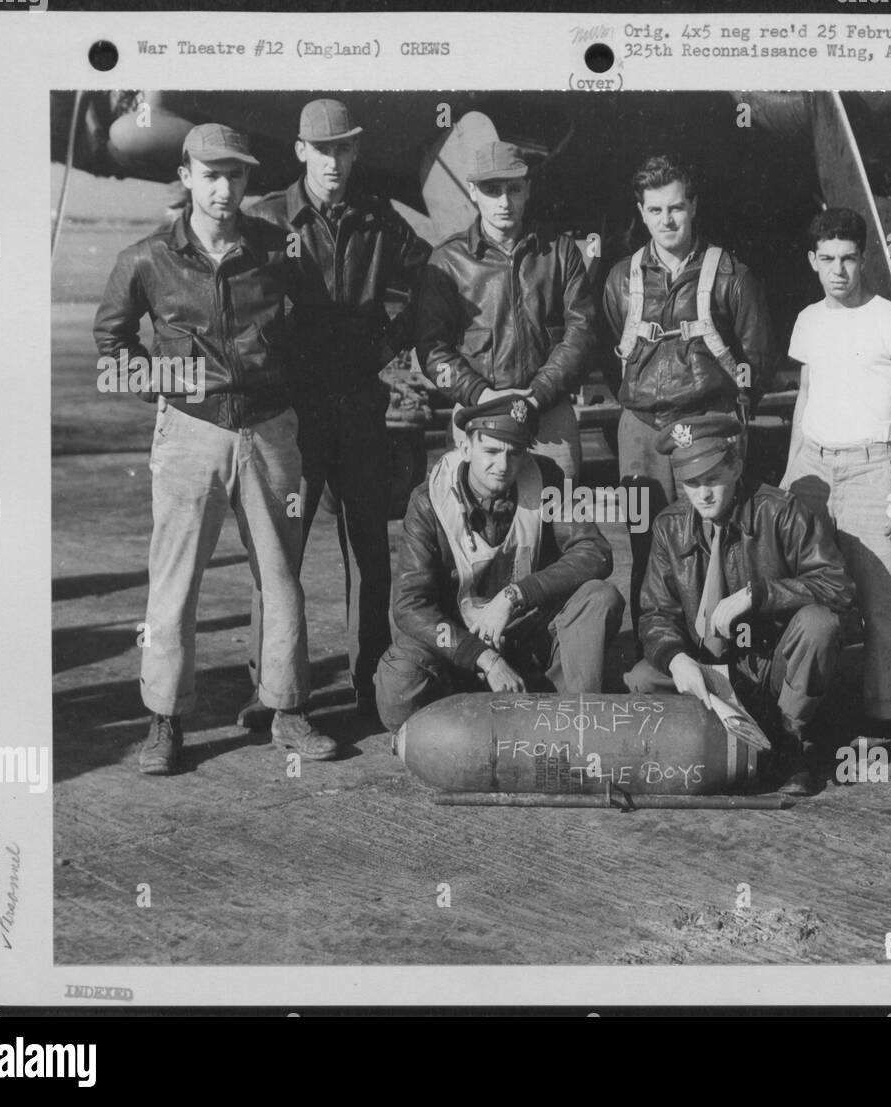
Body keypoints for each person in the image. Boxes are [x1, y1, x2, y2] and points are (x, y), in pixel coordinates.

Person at [93, 123, 334, 774]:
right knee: (173, 585)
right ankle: (165, 721)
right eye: (211, 174)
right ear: (186, 176)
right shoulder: (146, 258)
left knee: (282, 579)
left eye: (236, 175)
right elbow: (113, 342)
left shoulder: (279, 251)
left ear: (249, 180)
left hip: (270, 431)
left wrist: (289, 399)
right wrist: (164, 385)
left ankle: (287, 709)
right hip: (190, 434)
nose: (224, 188)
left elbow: (311, 332)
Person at [242, 99, 431, 724]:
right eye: (322, 149)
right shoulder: (267, 218)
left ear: (355, 152)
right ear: (300, 151)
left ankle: (369, 681)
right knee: (280, 550)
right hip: (292, 413)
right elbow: (239, 301)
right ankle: (265, 686)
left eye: (344, 149)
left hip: (358, 405)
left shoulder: (381, 220)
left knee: (369, 549)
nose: (333, 161)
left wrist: (386, 343)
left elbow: (423, 282)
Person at [626, 414, 854, 794]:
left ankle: (788, 746)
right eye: (691, 483)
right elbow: (655, 614)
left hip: (770, 667)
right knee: (642, 676)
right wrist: (676, 659)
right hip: (708, 669)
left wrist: (759, 594)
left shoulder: (779, 512)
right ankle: (712, 744)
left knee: (819, 625)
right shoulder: (669, 526)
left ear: (736, 466)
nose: (703, 495)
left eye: (713, 477)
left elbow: (838, 586)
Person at [780, 207, 891, 751]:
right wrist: (791, 471)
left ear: (864, 257)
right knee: (806, 594)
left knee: (888, 601)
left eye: (848, 258)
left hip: (876, 470)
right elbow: (805, 397)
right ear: (812, 262)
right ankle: (800, 717)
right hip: (813, 469)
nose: (839, 270)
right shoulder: (807, 320)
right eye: (827, 260)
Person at [375, 395, 624, 732]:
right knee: (399, 682)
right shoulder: (428, 499)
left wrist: (515, 595)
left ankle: (574, 717)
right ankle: (472, 710)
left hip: (526, 637)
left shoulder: (547, 477)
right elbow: (408, 604)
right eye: (491, 452)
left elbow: (594, 551)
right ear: (466, 448)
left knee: (599, 597)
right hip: (457, 645)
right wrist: (483, 657)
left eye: (514, 452)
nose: (504, 466)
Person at [602, 155, 775, 637]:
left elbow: (756, 359)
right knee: (647, 545)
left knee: (718, 539)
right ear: (641, 213)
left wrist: (726, 424)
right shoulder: (622, 278)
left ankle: (720, 651)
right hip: (640, 429)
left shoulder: (731, 274)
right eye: (655, 211)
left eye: (676, 208)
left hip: (709, 424)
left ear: (694, 206)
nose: (667, 220)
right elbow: (609, 349)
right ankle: (656, 655)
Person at [416, 140, 596, 480]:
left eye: (513, 189)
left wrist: (538, 395)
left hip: (549, 417)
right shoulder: (447, 261)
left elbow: (582, 331)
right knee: (475, 526)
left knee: (559, 524)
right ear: (472, 191)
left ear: (527, 190)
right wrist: (479, 393)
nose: (504, 201)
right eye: (492, 189)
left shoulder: (561, 253)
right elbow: (432, 349)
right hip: (477, 415)